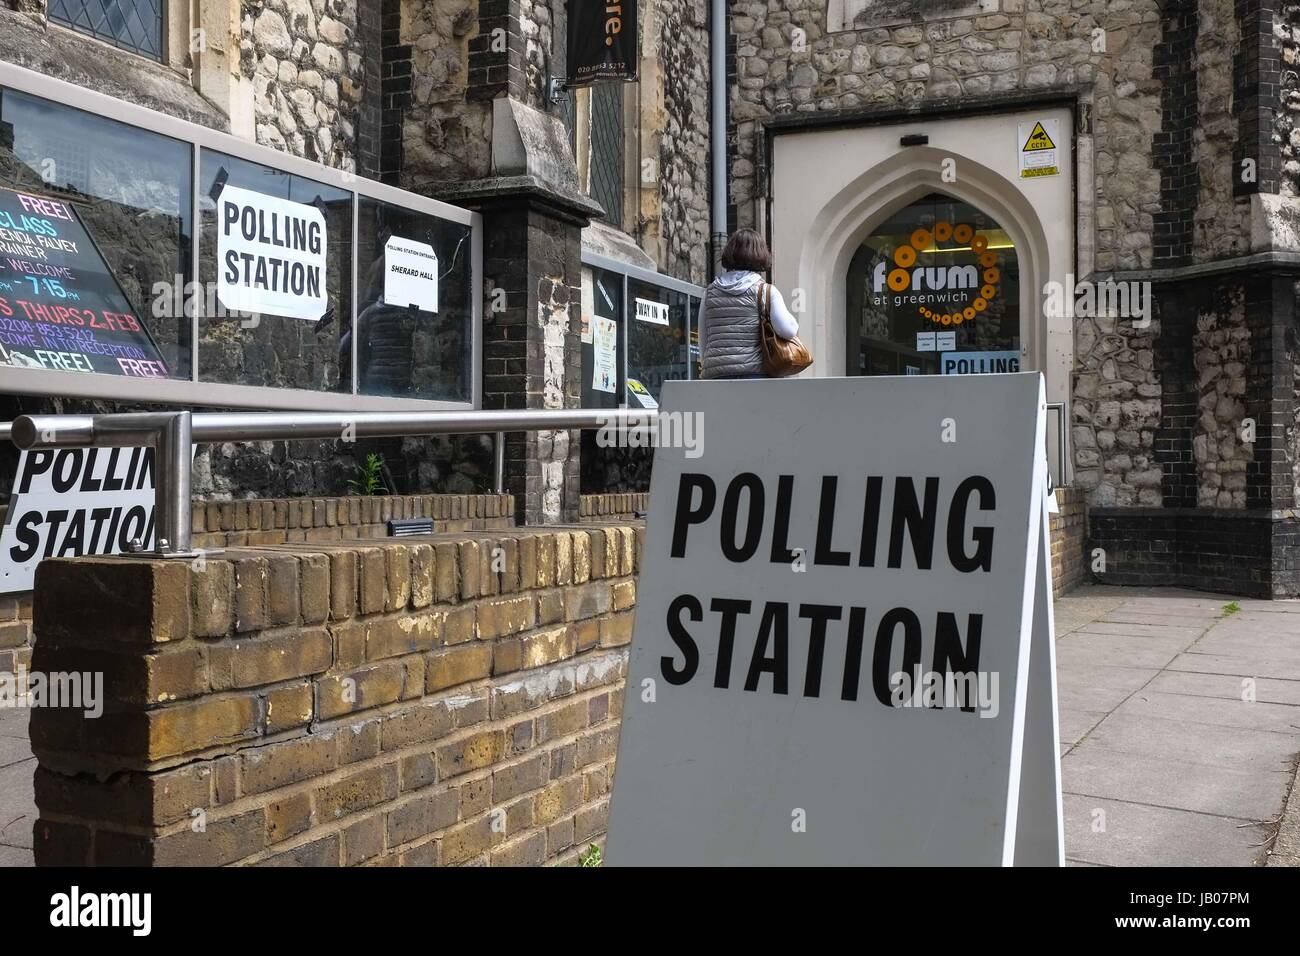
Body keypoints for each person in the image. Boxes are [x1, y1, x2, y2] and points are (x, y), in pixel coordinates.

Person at [698, 228, 799, 379]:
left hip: (716, 377)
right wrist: (794, 323)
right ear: (761, 254)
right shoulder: (765, 291)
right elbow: (788, 330)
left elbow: (703, 339)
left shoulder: (709, 292)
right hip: (754, 375)